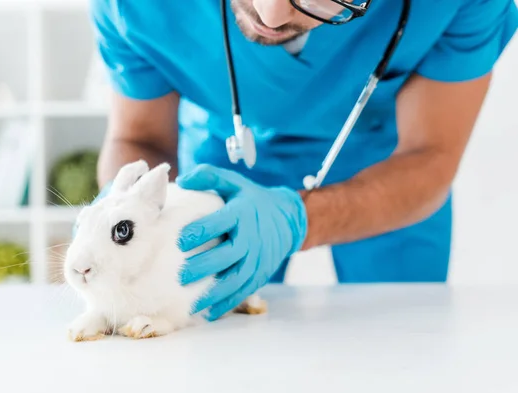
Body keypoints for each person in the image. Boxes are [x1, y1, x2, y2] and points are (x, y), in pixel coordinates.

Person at [87, 0, 518, 321]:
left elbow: (431, 154)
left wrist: (296, 219)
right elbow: (139, 136)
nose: (270, 17)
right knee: (214, 346)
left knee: (403, 340)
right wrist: (123, 209)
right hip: (224, 156)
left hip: (388, 168)